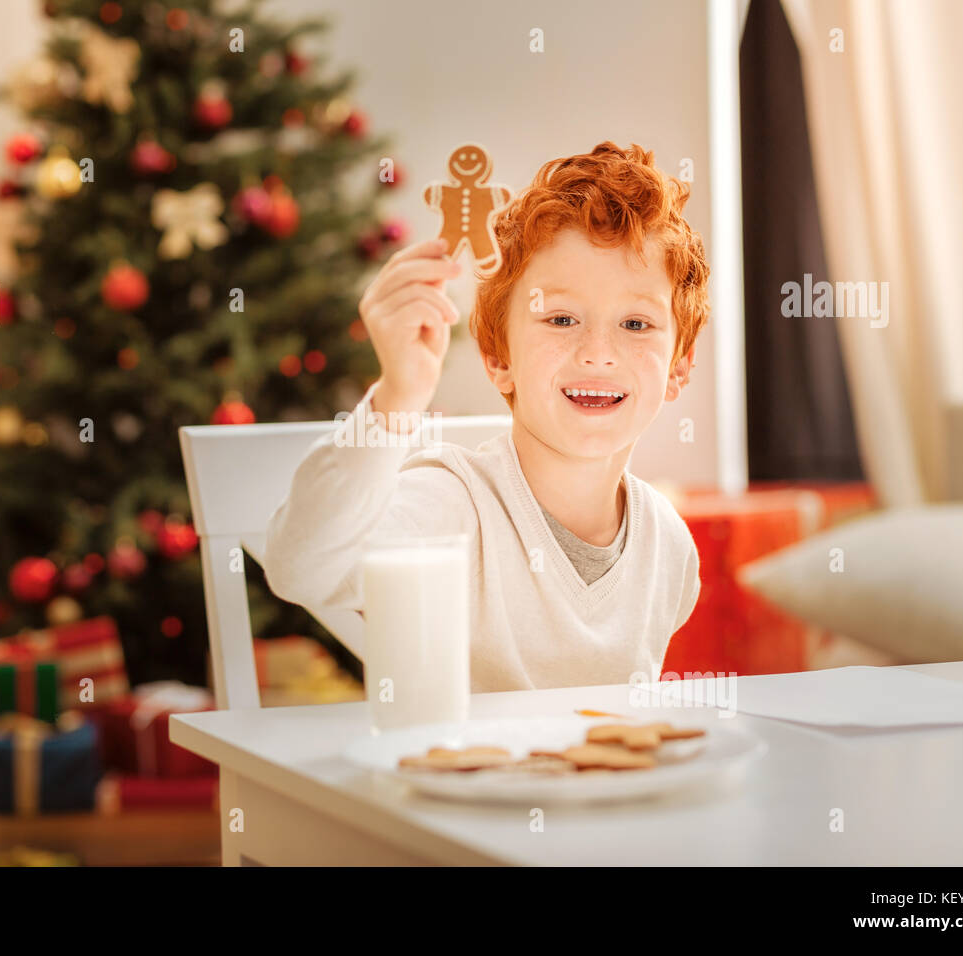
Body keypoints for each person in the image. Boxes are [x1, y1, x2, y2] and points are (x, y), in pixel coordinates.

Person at [263, 142, 707, 691]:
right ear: (500, 360)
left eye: (636, 325)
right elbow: (300, 567)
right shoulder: (450, 506)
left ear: (678, 369)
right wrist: (397, 398)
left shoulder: (670, 549)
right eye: (562, 318)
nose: (598, 352)